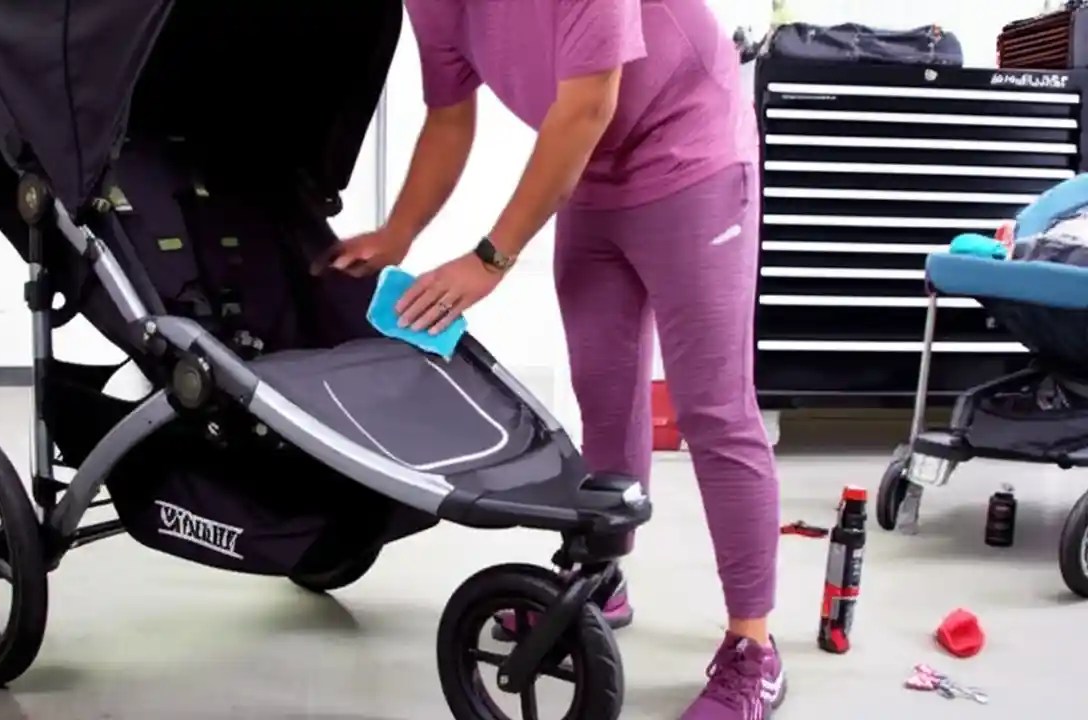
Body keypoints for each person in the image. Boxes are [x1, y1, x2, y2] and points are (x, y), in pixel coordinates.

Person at [324, 1, 782, 717]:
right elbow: (450, 116)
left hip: (691, 154)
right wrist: (398, 233)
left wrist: (490, 257)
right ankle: (605, 579)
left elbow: (589, 103)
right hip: (591, 171)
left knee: (714, 410)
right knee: (604, 393)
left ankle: (753, 649)